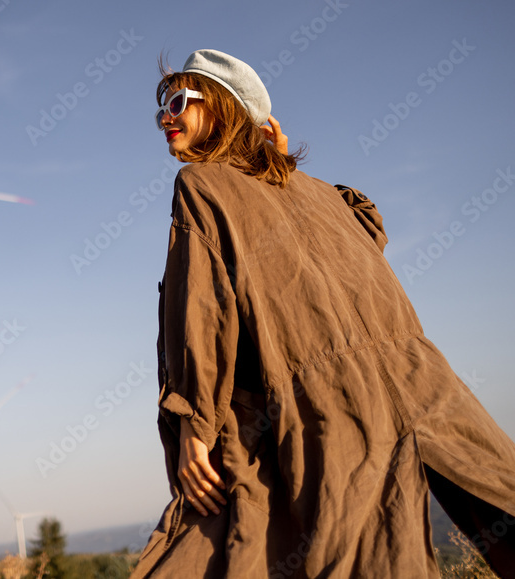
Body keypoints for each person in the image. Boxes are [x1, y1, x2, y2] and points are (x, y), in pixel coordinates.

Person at [131, 49, 515, 578]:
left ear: (223, 108)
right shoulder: (329, 198)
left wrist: (194, 425)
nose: (165, 119)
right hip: (429, 384)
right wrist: (280, 170)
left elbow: (202, 308)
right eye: (160, 111)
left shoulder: (202, 184)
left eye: (177, 101)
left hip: (330, 411)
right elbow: (368, 240)